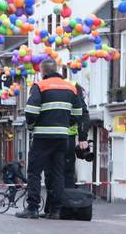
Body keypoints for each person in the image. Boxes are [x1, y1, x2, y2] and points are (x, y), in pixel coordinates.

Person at [18, 59, 81, 219]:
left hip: (42, 136)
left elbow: (31, 111)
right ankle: (56, 210)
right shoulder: (71, 88)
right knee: (58, 173)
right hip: (62, 137)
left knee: (34, 171)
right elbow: (77, 113)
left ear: (43, 72)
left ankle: (33, 208)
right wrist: (65, 124)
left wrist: (31, 126)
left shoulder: (40, 86)